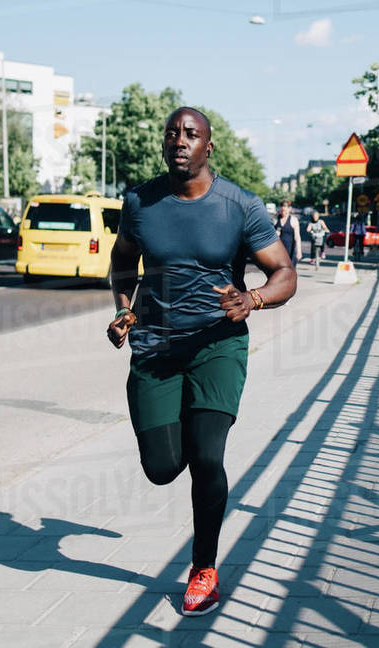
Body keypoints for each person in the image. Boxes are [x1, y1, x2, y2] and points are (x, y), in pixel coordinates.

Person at [105, 107, 297, 617]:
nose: (180, 140)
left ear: (209, 147)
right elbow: (122, 263)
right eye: (172, 133)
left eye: (191, 134)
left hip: (218, 343)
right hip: (156, 349)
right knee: (164, 468)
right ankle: (181, 436)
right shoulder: (140, 203)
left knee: (207, 458)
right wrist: (124, 309)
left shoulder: (240, 206)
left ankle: (204, 569)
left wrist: (252, 300)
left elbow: (284, 273)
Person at [275, 200, 302, 267]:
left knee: (290, 272)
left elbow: (297, 237)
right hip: (279, 251)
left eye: (285, 210)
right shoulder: (276, 220)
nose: (284, 212)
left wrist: (299, 251)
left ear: (289, 209)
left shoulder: (294, 220)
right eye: (282, 210)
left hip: (290, 251)